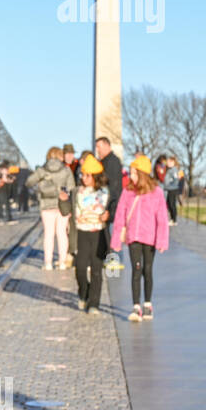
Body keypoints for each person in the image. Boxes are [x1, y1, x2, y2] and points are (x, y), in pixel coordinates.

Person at [110, 153, 169, 322]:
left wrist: (162, 240)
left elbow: (162, 218)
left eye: (134, 173)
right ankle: (136, 306)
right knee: (136, 270)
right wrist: (116, 241)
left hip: (149, 238)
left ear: (142, 174)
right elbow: (120, 215)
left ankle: (148, 304)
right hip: (133, 237)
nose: (131, 176)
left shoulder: (156, 192)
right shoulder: (128, 192)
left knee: (147, 270)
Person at [73, 154, 111, 314]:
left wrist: (108, 215)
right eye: (82, 174)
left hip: (98, 233)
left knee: (96, 269)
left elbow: (112, 209)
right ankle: (84, 292)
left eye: (87, 175)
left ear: (94, 175)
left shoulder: (105, 192)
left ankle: (94, 303)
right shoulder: (77, 191)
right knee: (80, 268)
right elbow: (69, 206)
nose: (83, 177)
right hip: (82, 232)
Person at [28, 147, 75, 270]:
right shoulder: (66, 170)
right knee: (62, 233)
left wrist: (39, 189)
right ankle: (62, 262)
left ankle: (48, 263)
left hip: (46, 205)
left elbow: (29, 182)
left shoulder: (42, 170)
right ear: (60, 156)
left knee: (48, 234)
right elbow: (71, 187)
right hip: (63, 205)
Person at [94, 136, 123, 268]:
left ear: (107, 145)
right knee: (108, 233)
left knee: (112, 233)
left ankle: (114, 260)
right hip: (109, 201)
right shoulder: (105, 161)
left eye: (99, 147)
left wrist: (107, 204)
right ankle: (111, 259)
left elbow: (112, 186)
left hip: (112, 202)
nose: (97, 150)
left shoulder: (112, 162)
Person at [161, 155, 184, 224]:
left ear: (173, 162)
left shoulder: (174, 170)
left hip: (173, 189)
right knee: (169, 203)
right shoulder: (169, 170)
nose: (168, 163)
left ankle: (174, 220)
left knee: (172, 204)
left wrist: (169, 185)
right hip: (169, 189)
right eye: (167, 162)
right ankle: (172, 219)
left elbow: (176, 180)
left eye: (169, 162)